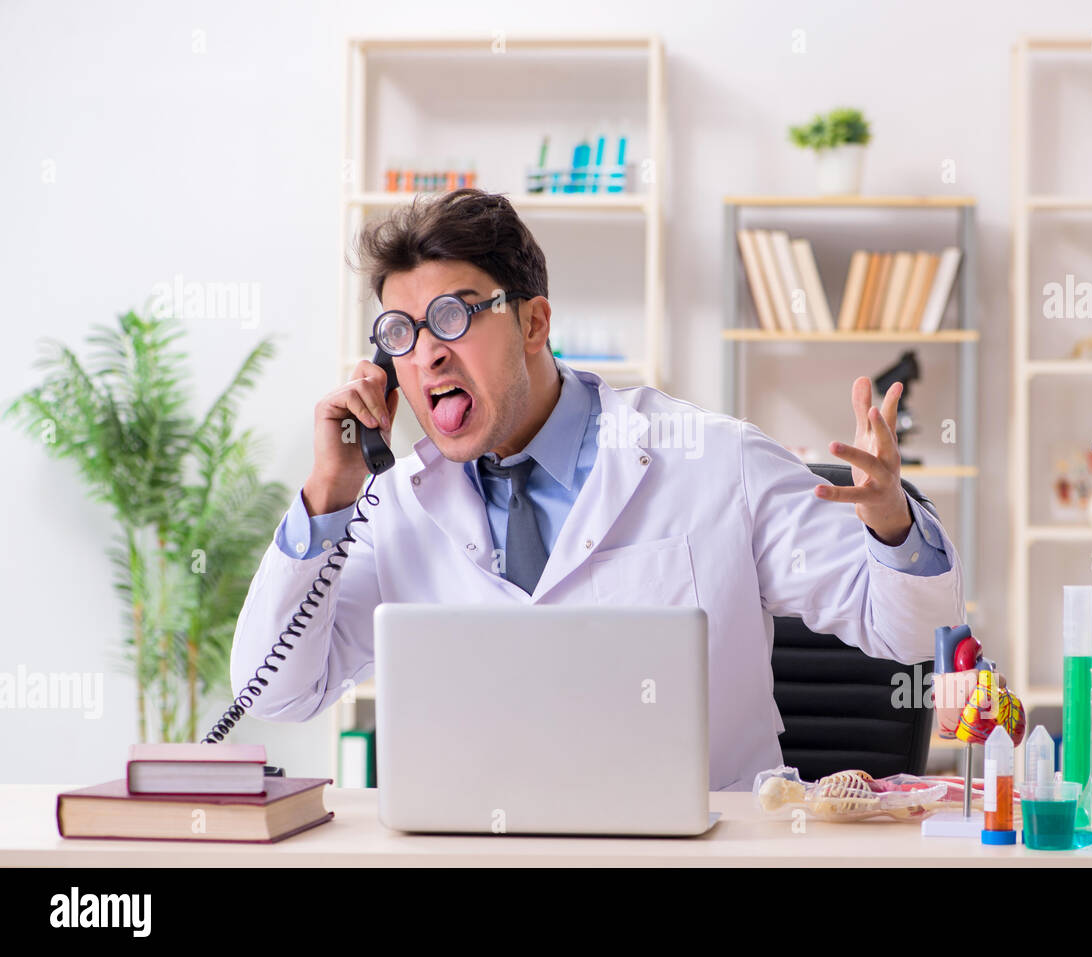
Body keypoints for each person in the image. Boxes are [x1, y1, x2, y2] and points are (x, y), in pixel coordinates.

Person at [229, 188, 965, 790]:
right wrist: (329, 493)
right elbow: (275, 693)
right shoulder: (393, 507)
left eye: (451, 316)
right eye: (399, 332)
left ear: (533, 322)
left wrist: (893, 523)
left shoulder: (711, 459)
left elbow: (909, 635)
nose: (426, 354)